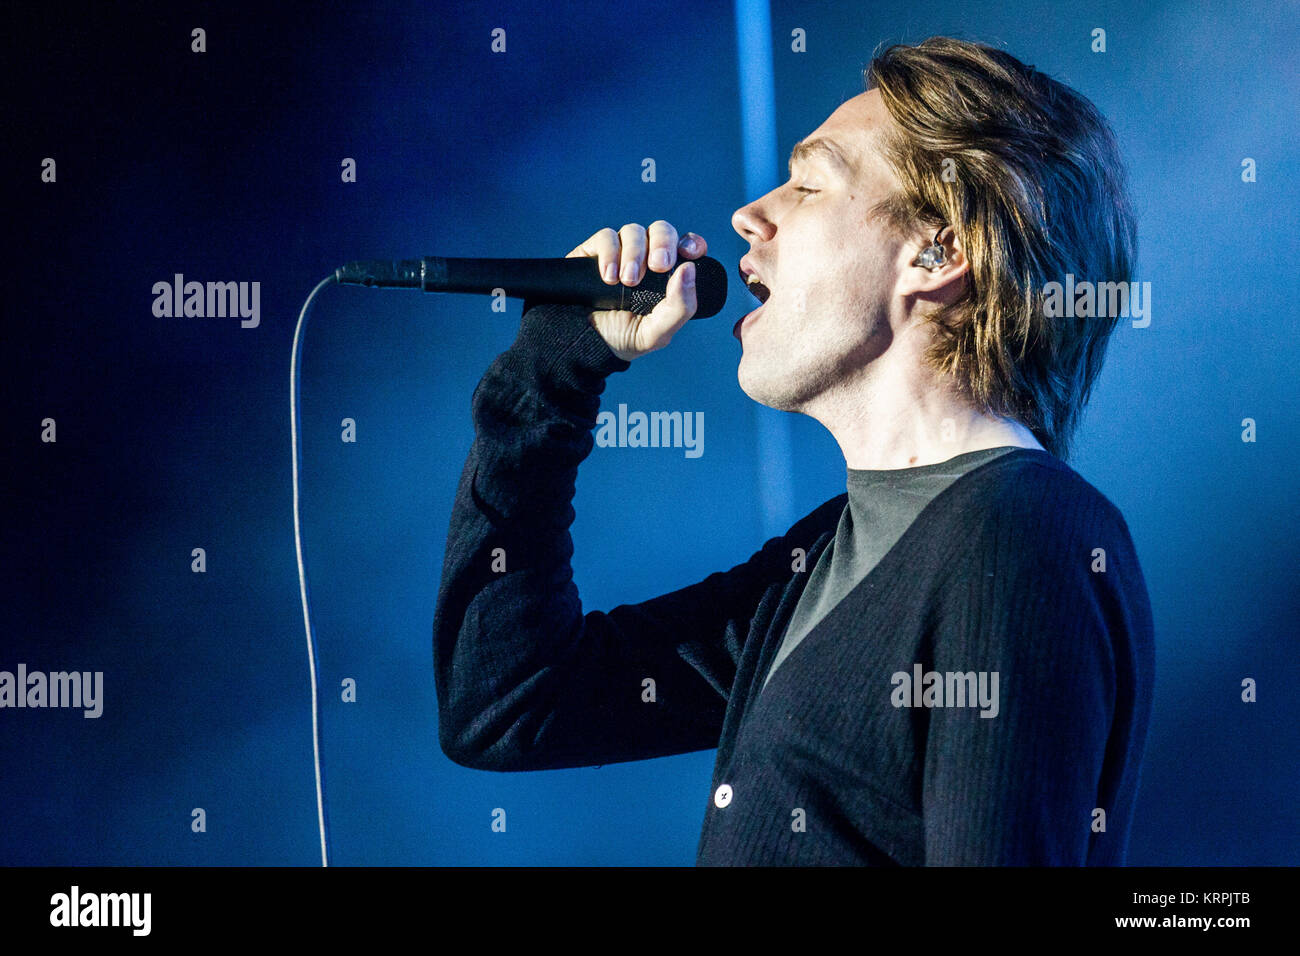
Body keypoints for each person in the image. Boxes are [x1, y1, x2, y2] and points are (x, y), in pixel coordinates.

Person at [433, 36, 1154, 865]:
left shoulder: (1024, 535)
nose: (750, 214)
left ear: (938, 252)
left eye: (810, 182)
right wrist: (550, 370)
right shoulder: (831, 553)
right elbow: (508, 704)